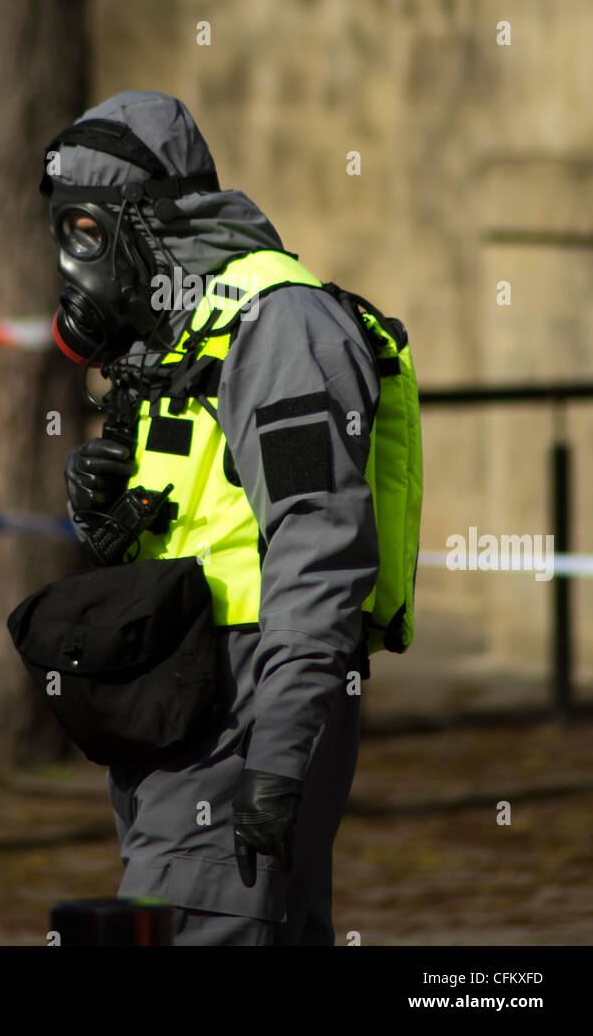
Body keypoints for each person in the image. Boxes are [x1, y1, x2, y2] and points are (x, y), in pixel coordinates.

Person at [41, 90, 381, 947]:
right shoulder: (184, 339)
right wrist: (107, 513)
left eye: (88, 233)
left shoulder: (282, 328)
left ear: (153, 224)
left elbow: (319, 545)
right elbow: (206, 528)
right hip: (180, 719)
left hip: (247, 718)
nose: (74, 265)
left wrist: (279, 753)